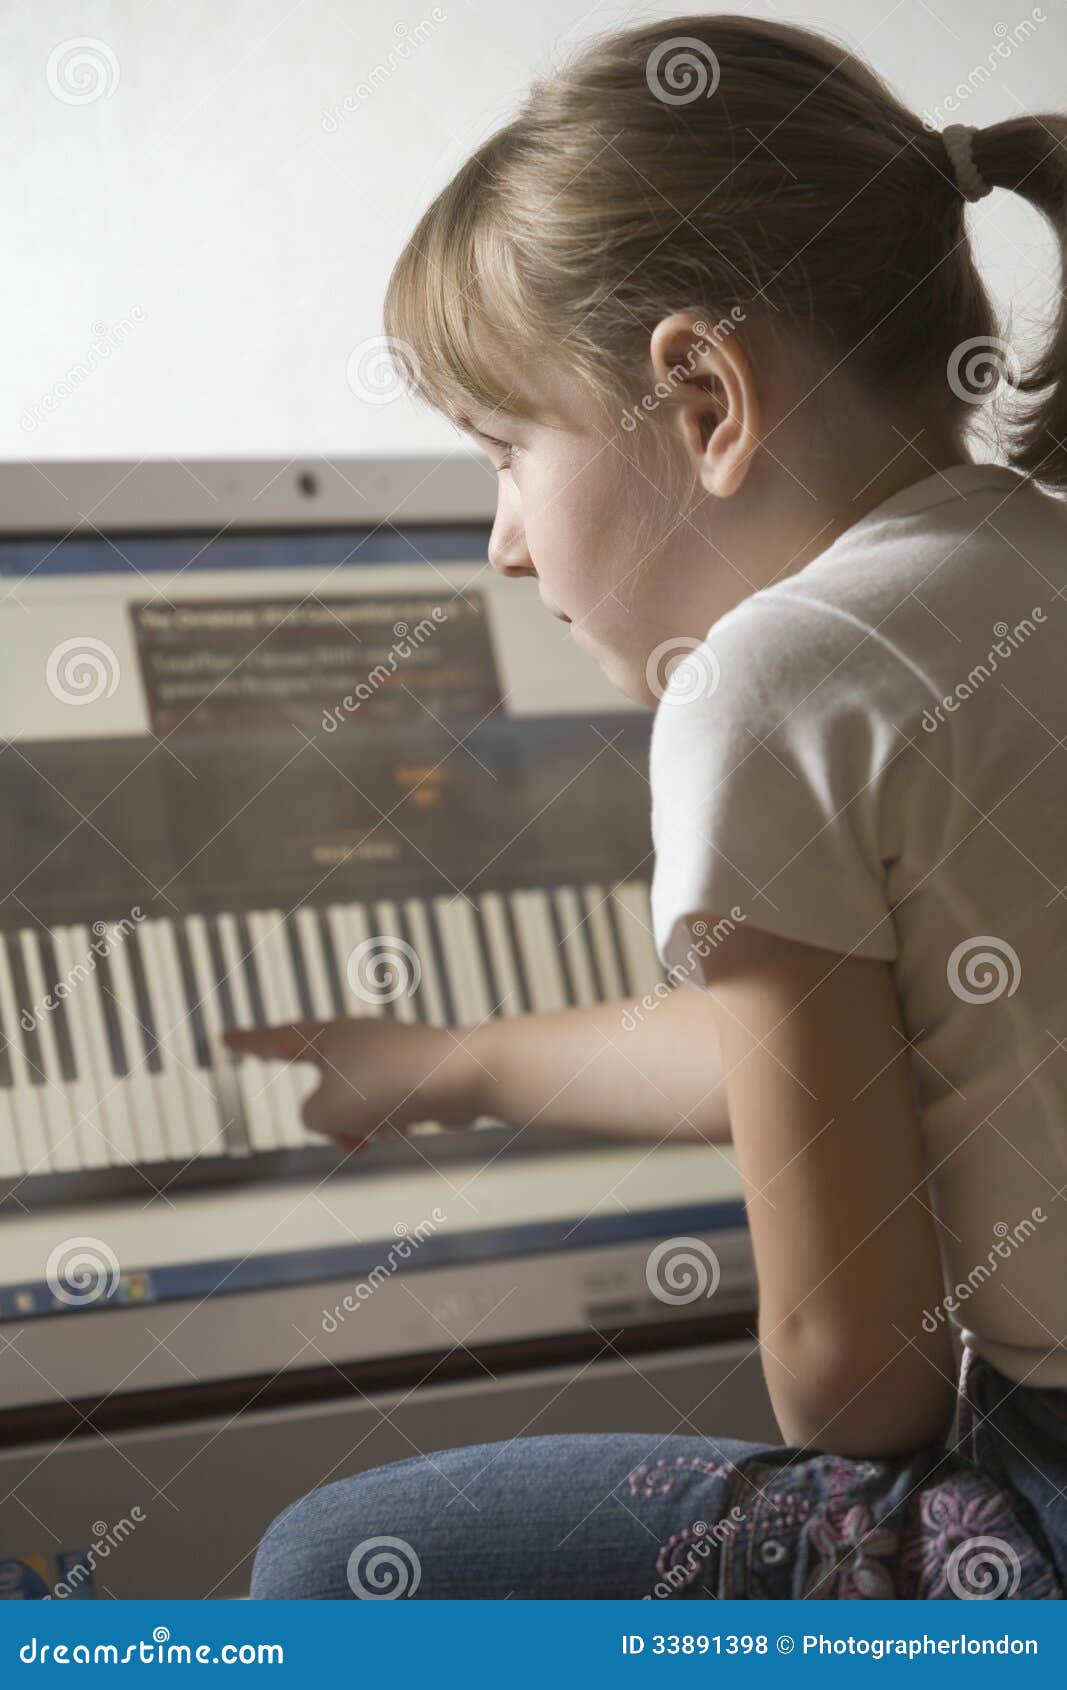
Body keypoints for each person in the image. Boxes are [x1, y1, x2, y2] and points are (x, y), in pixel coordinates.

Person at [232, 15, 1067, 1598]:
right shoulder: (1033, 567)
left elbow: (856, 1378)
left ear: (702, 398)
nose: (504, 545)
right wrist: (461, 1064)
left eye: (505, 455)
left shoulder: (771, 679)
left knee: (329, 1566)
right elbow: (875, 1044)